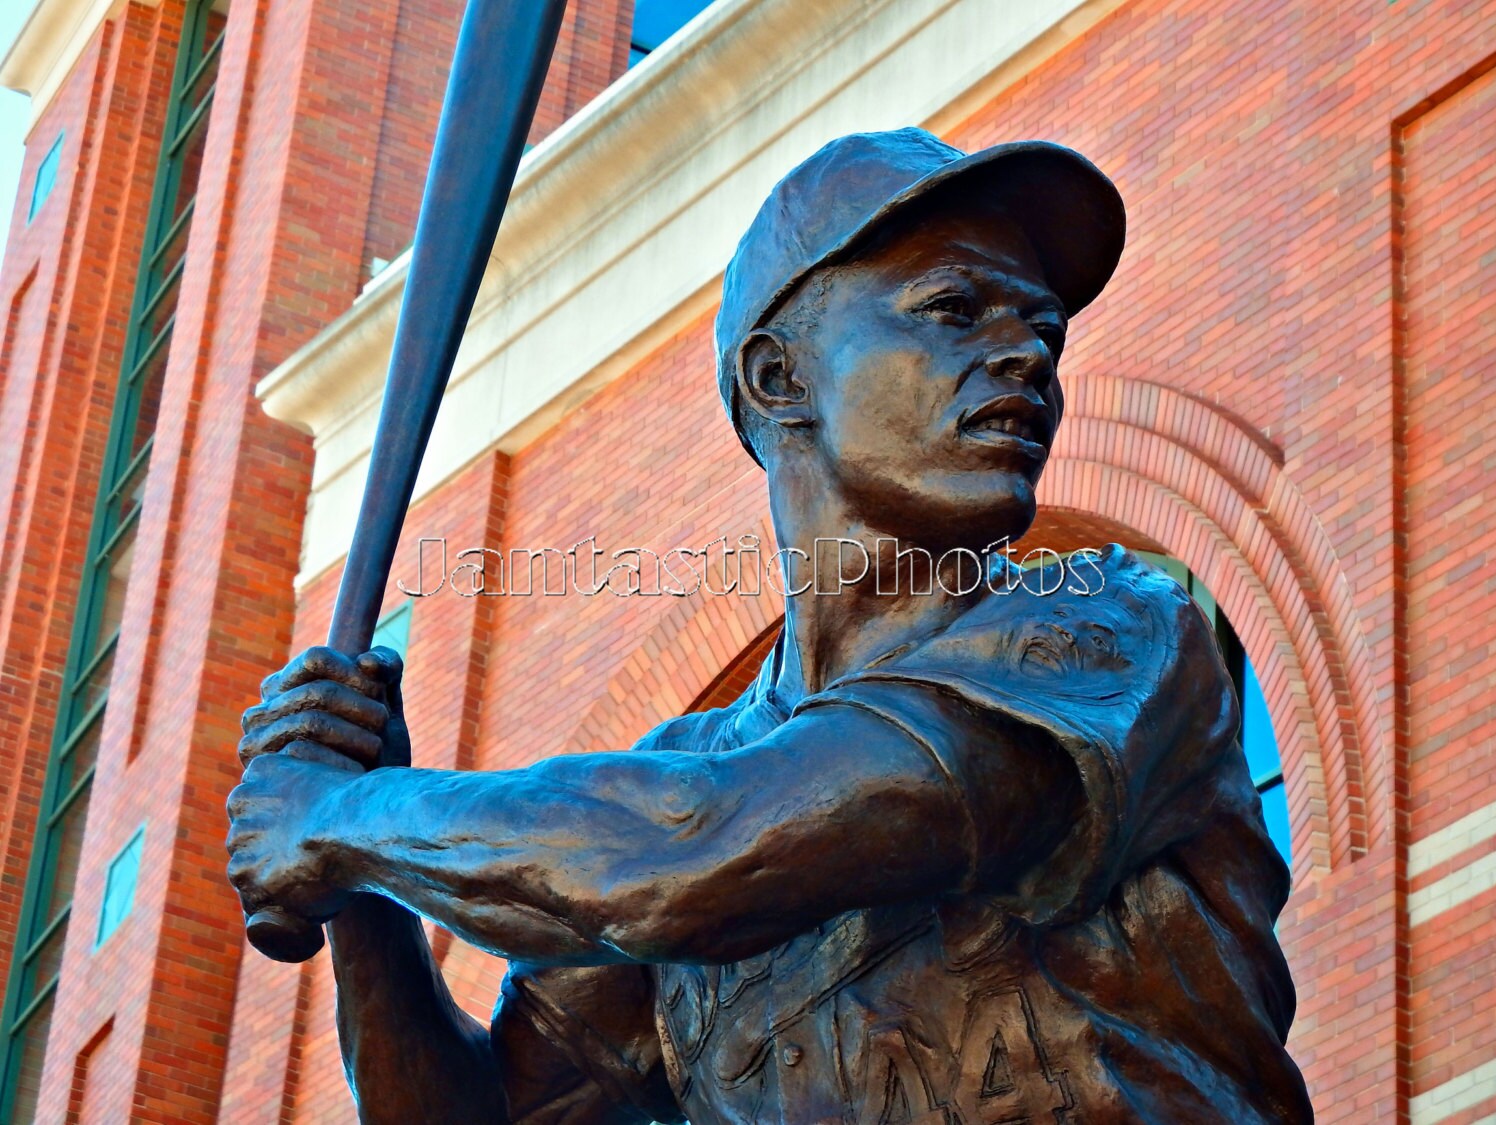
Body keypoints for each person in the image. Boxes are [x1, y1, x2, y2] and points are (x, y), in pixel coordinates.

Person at [226, 128, 1314, 1124]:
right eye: (953, 308)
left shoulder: (1117, 635)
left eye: (1043, 328)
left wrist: (341, 820)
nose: (1028, 354)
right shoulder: (692, 765)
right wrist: (361, 894)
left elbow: (695, 853)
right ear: (779, 376)